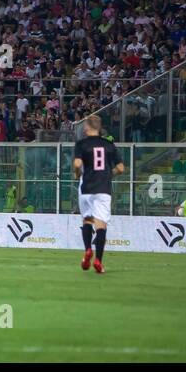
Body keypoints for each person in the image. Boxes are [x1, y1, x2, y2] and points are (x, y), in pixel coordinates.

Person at [74, 115, 125, 273]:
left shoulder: (81, 144)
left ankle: (88, 249)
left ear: (88, 127)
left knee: (87, 220)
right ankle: (98, 261)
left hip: (87, 187)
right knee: (101, 225)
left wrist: (77, 174)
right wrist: (109, 174)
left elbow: (77, 164)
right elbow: (121, 168)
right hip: (103, 189)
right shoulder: (109, 144)